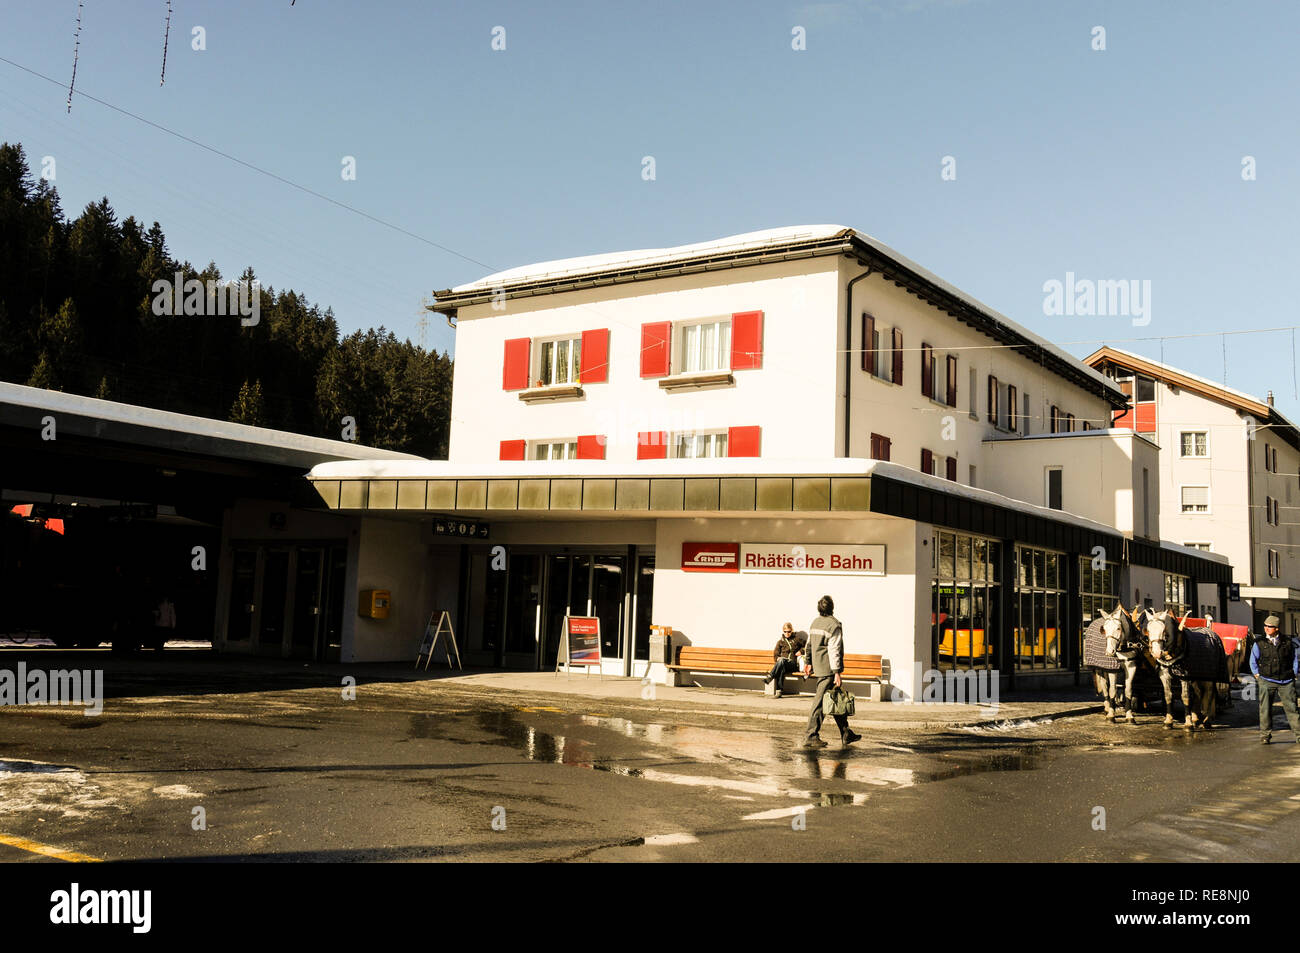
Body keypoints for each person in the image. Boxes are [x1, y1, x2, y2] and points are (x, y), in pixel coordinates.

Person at [802, 595, 861, 749]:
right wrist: (836, 672)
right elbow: (834, 649)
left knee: (835, 699)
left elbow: (809, 645)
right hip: (828, 669)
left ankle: (846, 733)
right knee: (820, 703)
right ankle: (810, 735)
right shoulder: (834, 625)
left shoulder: (815, 622)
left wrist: (808, 662)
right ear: (832, 607)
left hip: (818, 666)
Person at [1250, 615, 1300, 744]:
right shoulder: (1259, 642)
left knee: (1292, 709)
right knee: (1265, 709)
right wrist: (1257, 676)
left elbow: (1294, 658)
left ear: (1277, 628)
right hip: (1266, 680)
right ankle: (1265, 735)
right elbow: (1253, 661)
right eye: (1265, 626)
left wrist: (1294, 673)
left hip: (1286, 681)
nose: (1266, 628)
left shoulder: (1288, 642)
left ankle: (1299, 736)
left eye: (1270, 626)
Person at [762, 623, 805, 698]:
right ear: (783, 631)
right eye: (785, 631)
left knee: (781, 662)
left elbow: (806, 647)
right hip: (783, 663)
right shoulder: (780, 642)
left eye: (789, 631)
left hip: (793, 664)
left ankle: (770, 676)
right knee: (781, 667)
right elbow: (776, 653)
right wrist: (777, 658)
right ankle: (779, 692)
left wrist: (801, 651)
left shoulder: (796, 639)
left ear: (792, 631)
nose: (787, 633)